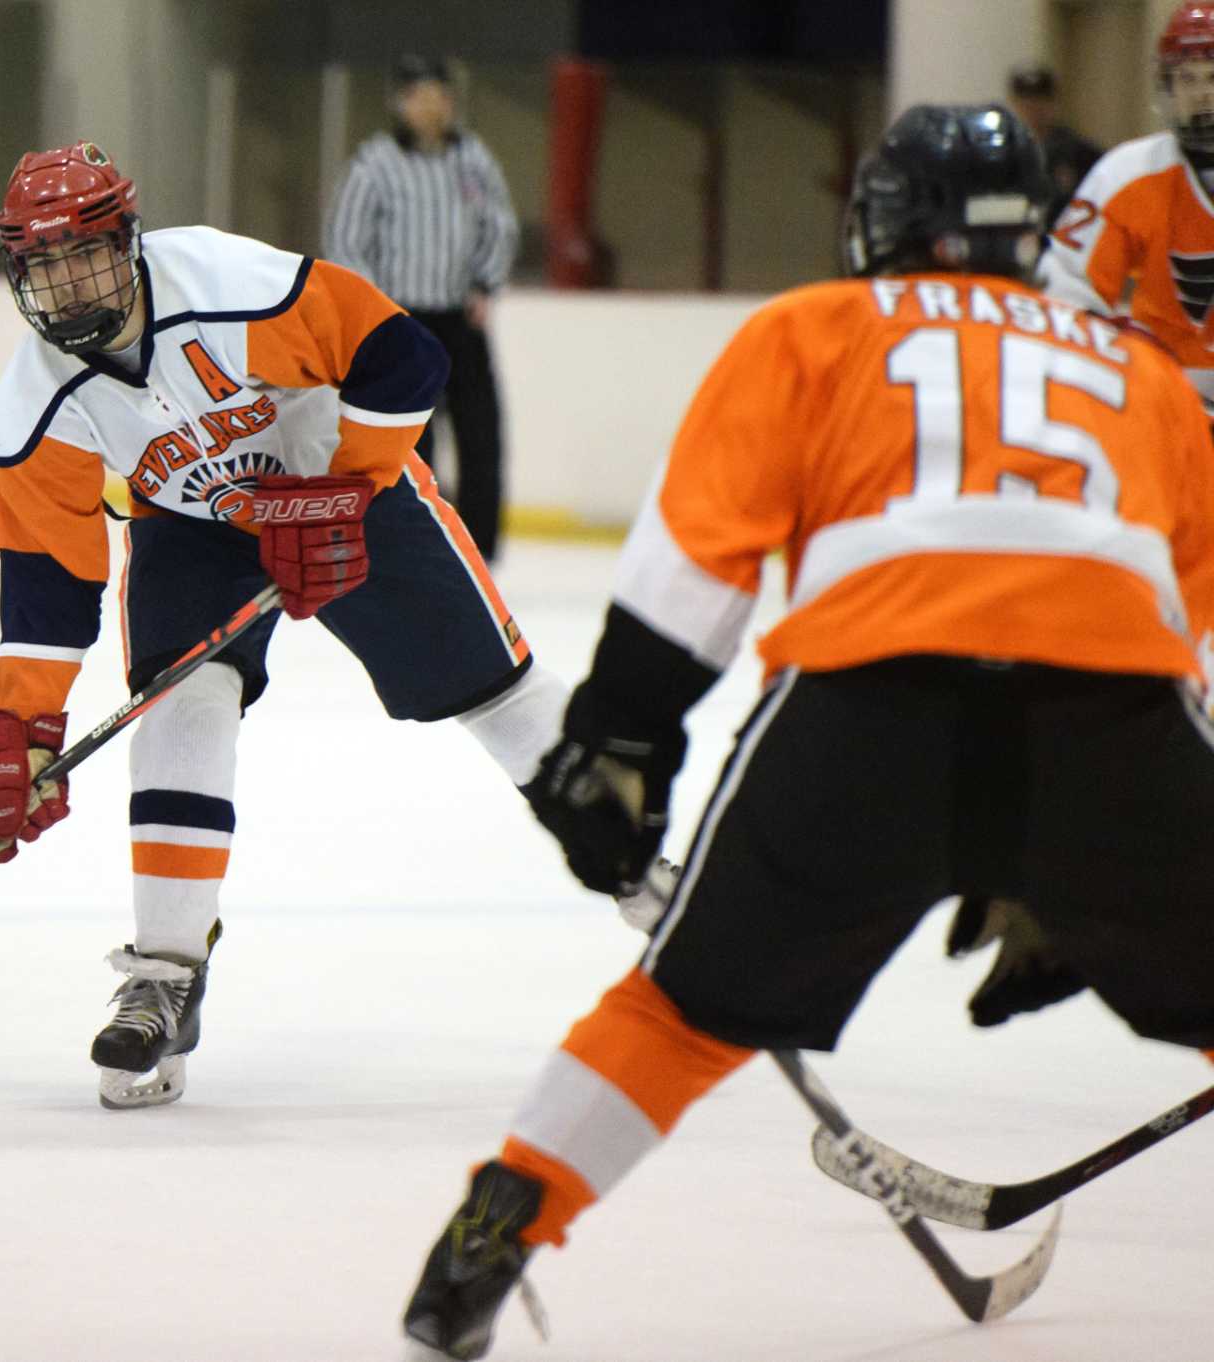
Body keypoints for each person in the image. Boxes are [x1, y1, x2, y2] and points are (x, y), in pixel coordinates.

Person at [401, 103, 1214, 1359]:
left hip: (868, 706)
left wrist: (619, 744)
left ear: (879, 220)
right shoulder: (1142, 378)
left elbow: (692, 568)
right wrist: (1107, 854)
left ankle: (497, 1226)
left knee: (679, 1013)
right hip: (1106, 713)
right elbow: (1193, 628)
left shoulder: (811, 327)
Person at [0, 142, 573, 1111]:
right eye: (41, 265)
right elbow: (45, 593)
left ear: (128, 242)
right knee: (177, 702)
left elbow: (404, 356)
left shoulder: (228, 282)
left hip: (341, 482)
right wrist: (18, 728)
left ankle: (640, 873)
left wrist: (345, 488)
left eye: (82, 255)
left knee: (494, 695)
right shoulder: (32, 405)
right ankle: (163, 972)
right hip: (195, 528)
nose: (65, 284)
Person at [326, 53, 518, 562]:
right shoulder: (375, 164)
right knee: (410, 437)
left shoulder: (472, 159)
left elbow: (499, 224)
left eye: (440, 95)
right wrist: (374, 309)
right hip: (402, 322)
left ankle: (479, 545)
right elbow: (346, 239)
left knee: (481, 434)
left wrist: (485, 283)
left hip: (460, 317)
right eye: (421, 96)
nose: (432, 107)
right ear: (401, 103)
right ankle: (419, 535)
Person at [1041, 2, 1214, 414]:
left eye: (1212, 77)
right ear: (1168, 88)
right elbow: (1066, 289)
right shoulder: (1128, 174)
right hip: (1161, 401)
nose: (1201, 94)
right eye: (1186, 79)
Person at [1006, 63, 1102, 223]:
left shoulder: (1079, 152)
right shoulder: (1005, 153)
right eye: (1026, 103)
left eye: (1040, 102)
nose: (1033, 110)